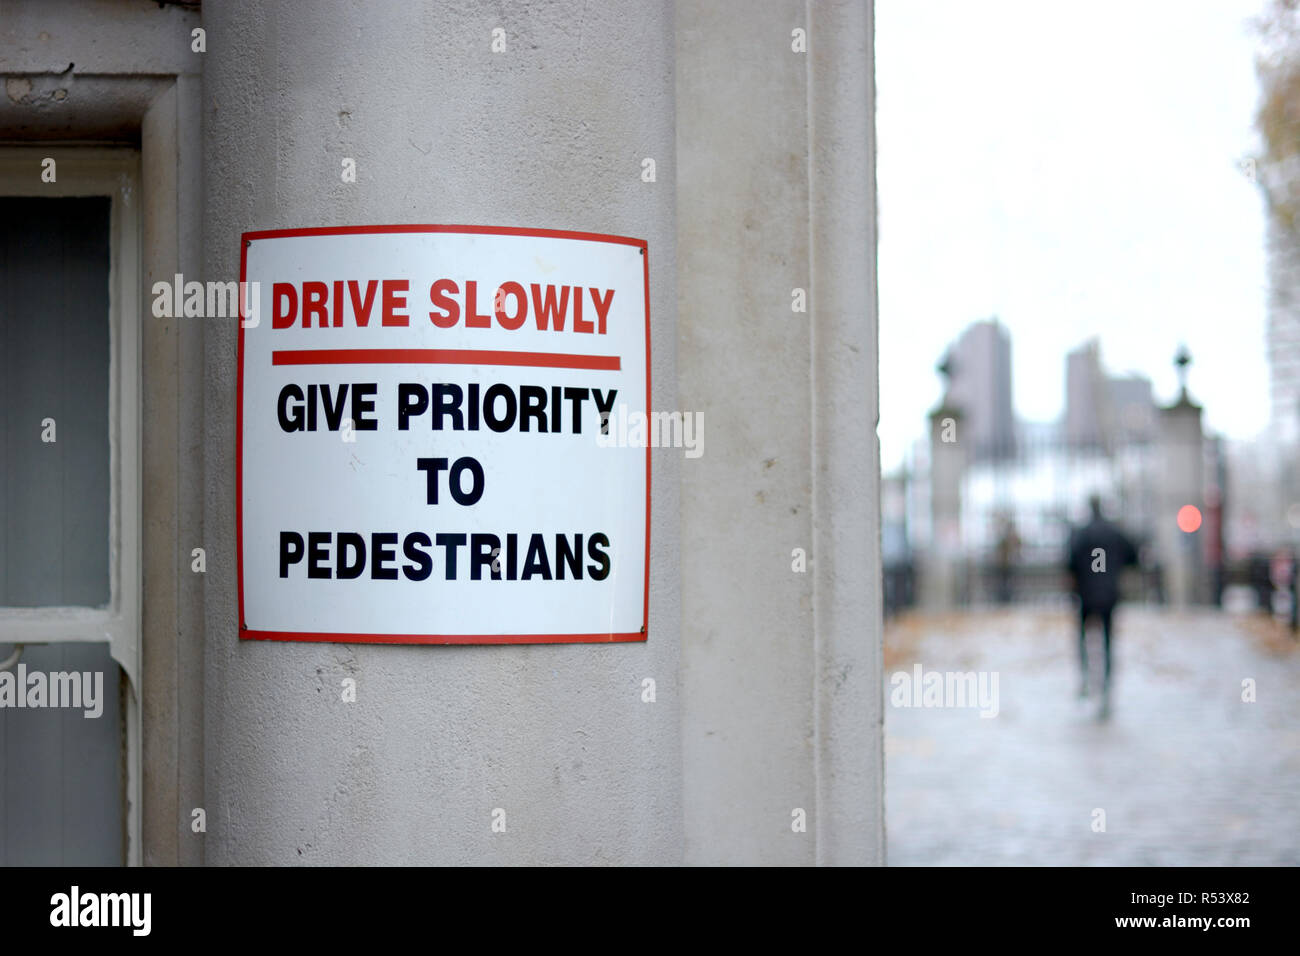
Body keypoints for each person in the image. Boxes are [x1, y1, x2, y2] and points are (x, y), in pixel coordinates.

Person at [1065, 495, 1138, 718]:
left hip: (1086, 594)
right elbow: (1134, 557)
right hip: (1109, 594)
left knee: (1083, 638)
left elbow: (1069, 562)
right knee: (1107, 641)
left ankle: (1086, 676)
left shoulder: (1081, 533)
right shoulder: (1115, 533)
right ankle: (1106, 685)